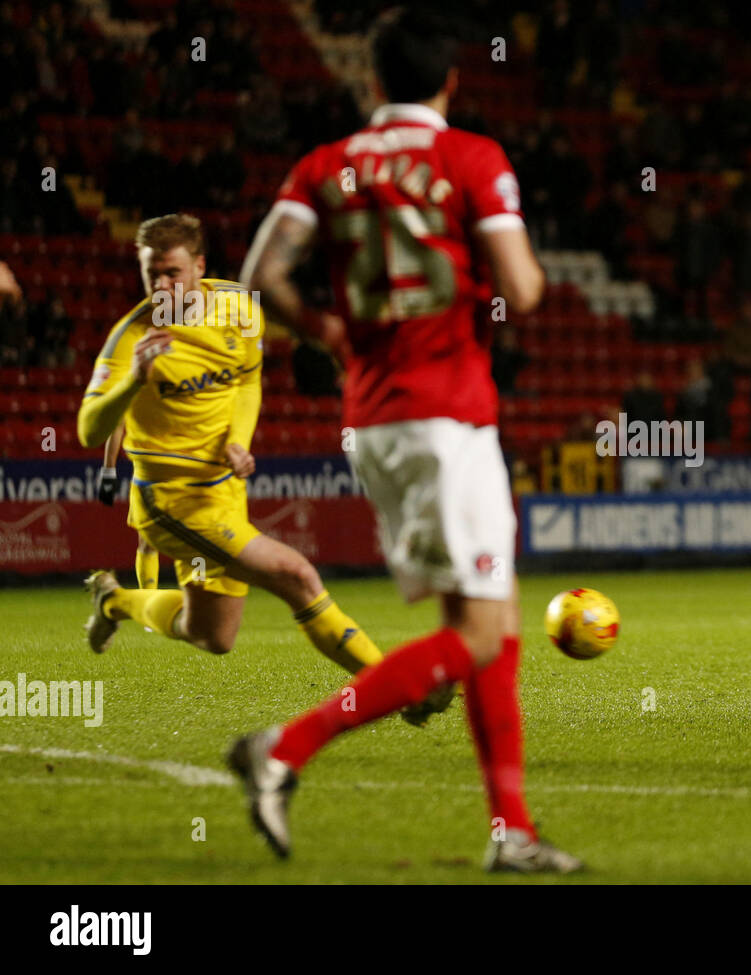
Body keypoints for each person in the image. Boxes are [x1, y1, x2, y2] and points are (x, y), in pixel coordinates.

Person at [231, 6, 581, 873]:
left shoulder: (327, 164)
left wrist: (326, 326)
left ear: (373, 81)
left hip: (376, 418)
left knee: (486, 622)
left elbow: (257, 276)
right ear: (451, 81)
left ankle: (512, 834)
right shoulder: (471, 157)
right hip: (447, 418)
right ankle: (284, 748)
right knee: (481, 635)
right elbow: (525, 288)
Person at [77, 215, 401, 701]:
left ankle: (116, 601)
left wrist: (238, 439)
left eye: (172, 273)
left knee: (213, 636)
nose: (161, 287)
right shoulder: (130, 338)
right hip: (172, 500)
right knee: (296, 575)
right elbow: (88, 429)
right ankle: (398, 688)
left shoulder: (239, 308)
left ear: (199, 267)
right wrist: (131, 380)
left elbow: (248, 377)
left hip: (225, 490)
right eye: (152, 275)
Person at [97, 422, 162, 591]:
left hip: (188, 463)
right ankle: (147, 602)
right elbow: (117, 422)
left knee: (193, 542)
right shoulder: (136, 395)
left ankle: (200, 604)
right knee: (147, 540)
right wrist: (109, 471)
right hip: (148, 468)